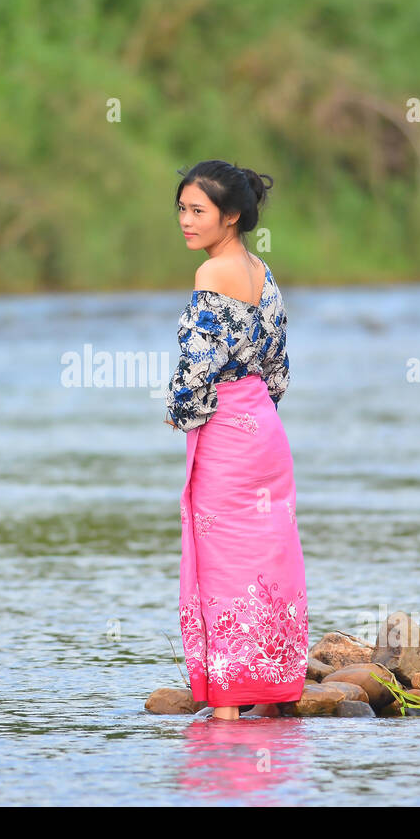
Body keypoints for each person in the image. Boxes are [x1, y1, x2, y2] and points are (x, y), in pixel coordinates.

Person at [164, 160, 309, 721]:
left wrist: (181, 409)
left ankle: (226, 707)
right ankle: (272, 693)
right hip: (265, 432)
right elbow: (276, 364)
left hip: (226, 430)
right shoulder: (260, 270)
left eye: (197, 211)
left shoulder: (211, 275)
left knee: (223, 562)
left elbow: (198, 363)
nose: (185, 220)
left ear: (230, 216)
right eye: (181, 209)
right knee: (268, 557)